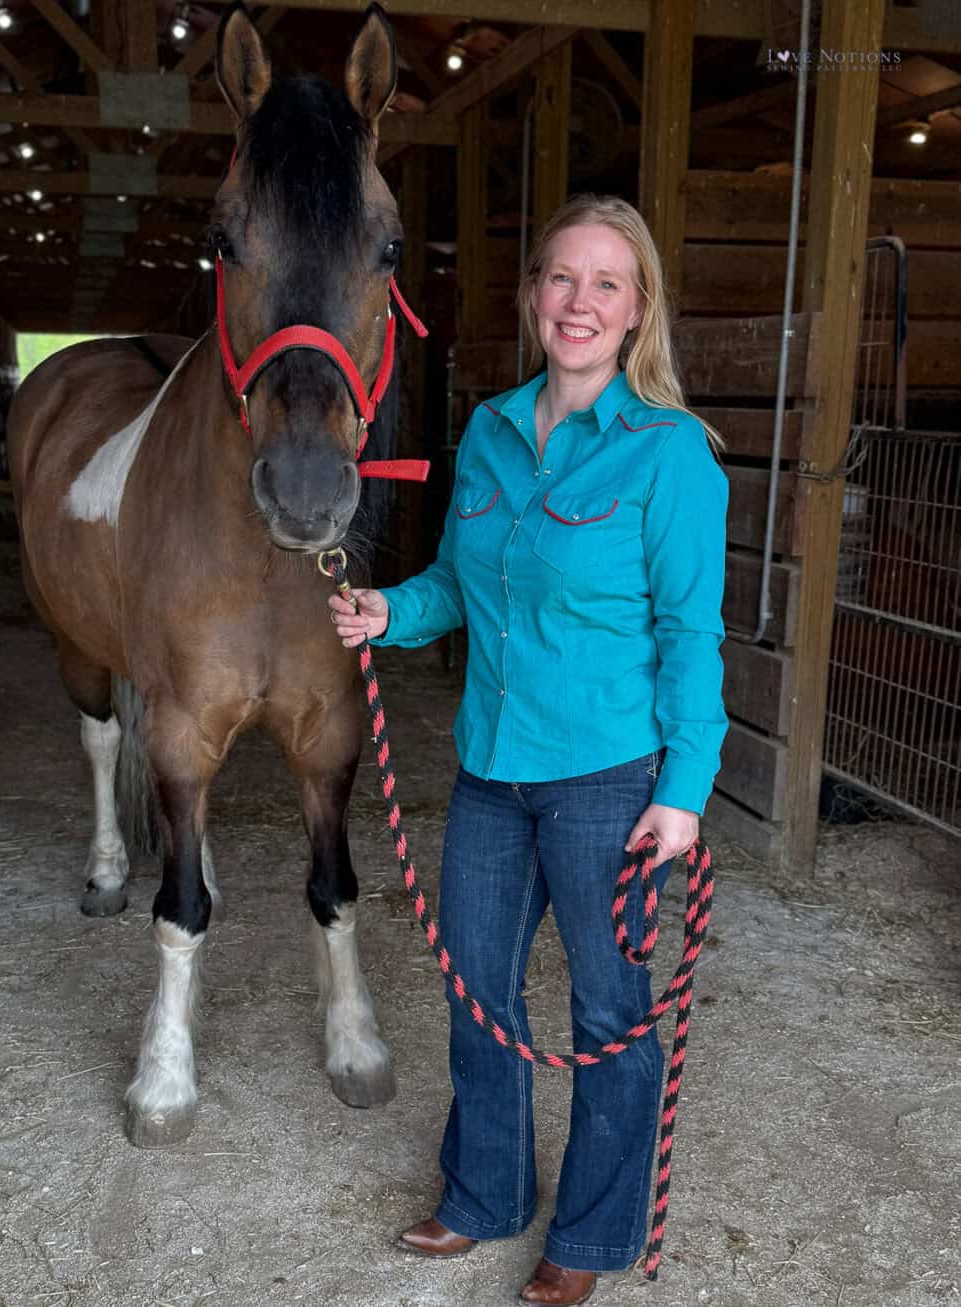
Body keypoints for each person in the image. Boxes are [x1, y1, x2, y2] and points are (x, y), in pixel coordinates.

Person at [329, 194, 728, 1306]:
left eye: (606, 282)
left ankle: (589, 1236)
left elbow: (692, 637)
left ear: (638, 307)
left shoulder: (670, 458)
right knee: (478, 994)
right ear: (531, 294)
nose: (579, 301)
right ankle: (484, 1193)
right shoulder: (493, 430)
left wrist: (684, 790)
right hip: (492, 773)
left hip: (608, 777)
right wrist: (384, 612)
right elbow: (459, 584)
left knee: (607, 1013)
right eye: (561, 276)